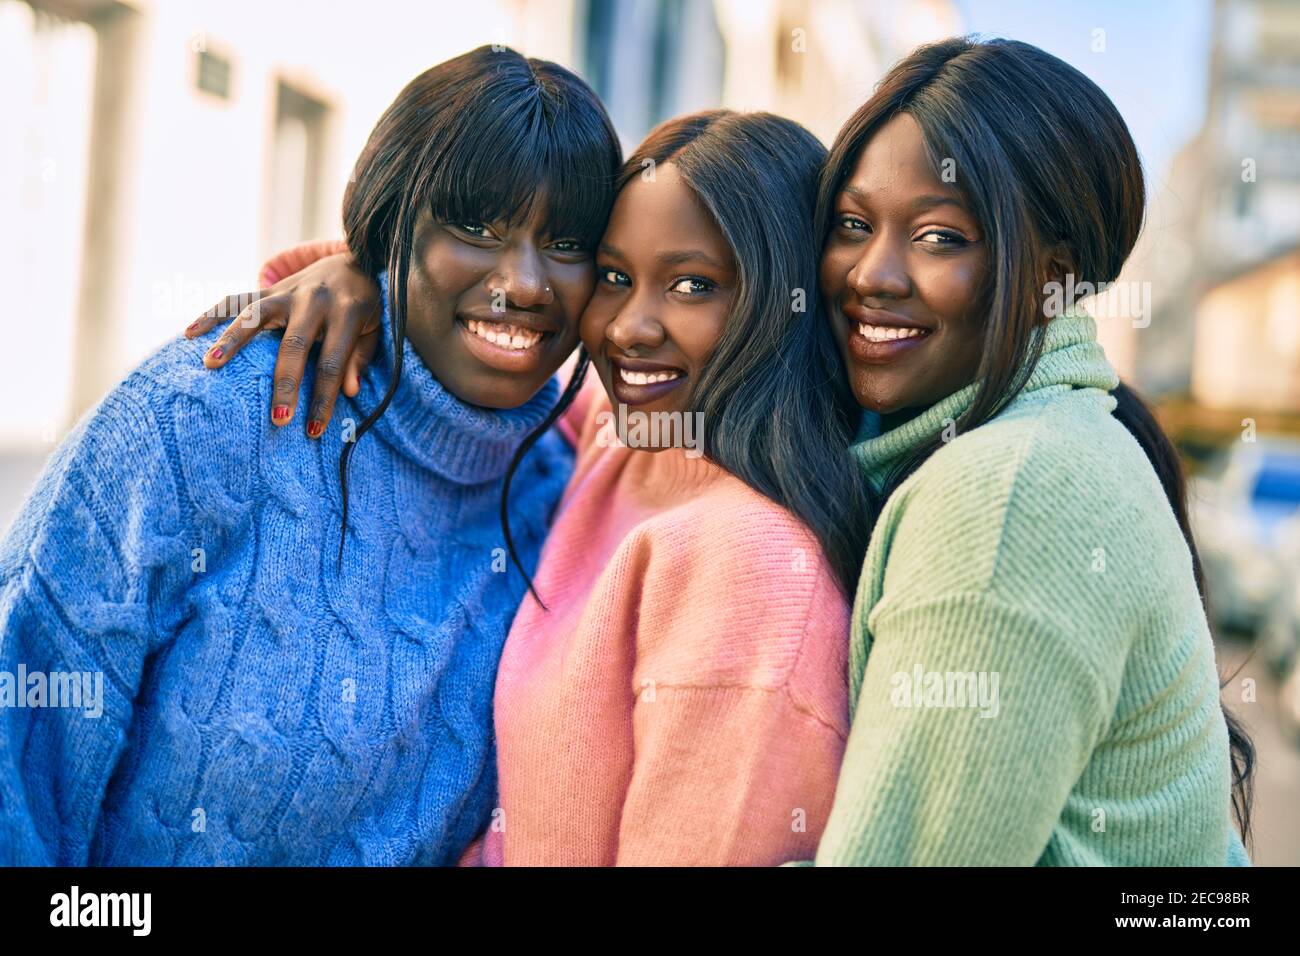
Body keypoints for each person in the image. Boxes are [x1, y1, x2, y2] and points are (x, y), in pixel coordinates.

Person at [0, 45, 621, 865]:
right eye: (475, 227)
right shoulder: (203, 421)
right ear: (386, 227)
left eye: (567, 243)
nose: (527, 283)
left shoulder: (567, 502)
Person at [806, 36, 1253, 865]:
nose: (872, 273)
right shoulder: (1053, 439)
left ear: (1054, 275)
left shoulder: (1008, 494)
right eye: (853, 225)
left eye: (939, 237)